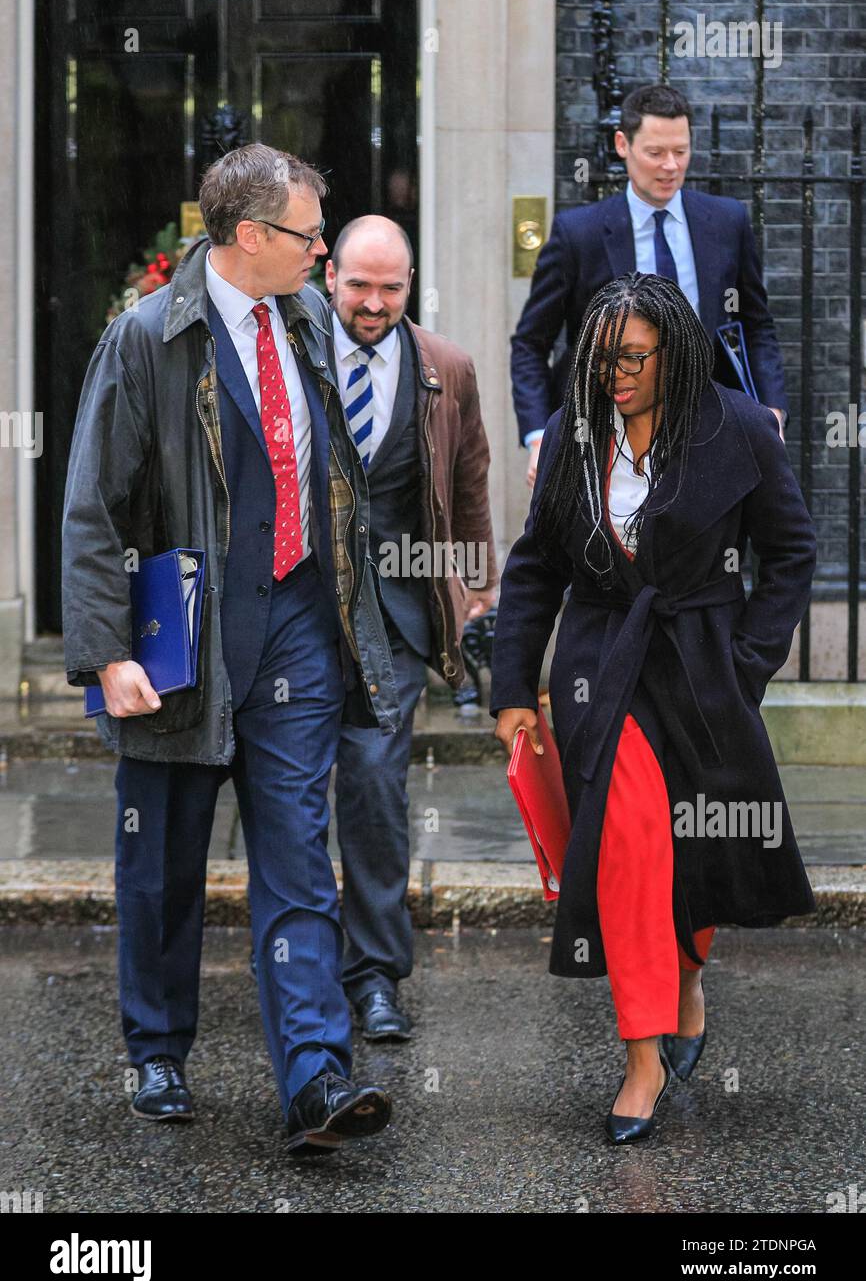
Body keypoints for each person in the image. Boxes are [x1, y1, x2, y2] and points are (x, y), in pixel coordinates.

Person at [62, 144, 401, 1155]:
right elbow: (90, 509)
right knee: (162, 862)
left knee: (298, 862)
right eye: (308, 235)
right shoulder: (146, 338)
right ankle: (158, 1045)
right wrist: (105, 651)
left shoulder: (304, 322)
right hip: (182, 639)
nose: (323, 253)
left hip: (295, 629)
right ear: (248, 235)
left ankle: (313, 1075)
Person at [490, 272, 817, 1145]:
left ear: (672, 350)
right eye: (600, 360)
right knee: (632, 842)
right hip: (605, 669)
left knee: (696, 839)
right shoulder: (572, 434)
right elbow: (533, 570)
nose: (614, 376)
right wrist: (515, 689)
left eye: (631, 358)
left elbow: (791, 553)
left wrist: (746, 662)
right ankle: (641, 1054)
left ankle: (686, 978)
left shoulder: (738, 429)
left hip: (704, 671)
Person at [324, 214, 498, 1038]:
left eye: (390, 287)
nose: (373, 302)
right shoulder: (289, 350)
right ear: (331, 278)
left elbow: (468, 486)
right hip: (296, 612)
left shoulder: (446, 369)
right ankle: (295, 967)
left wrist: (473, 587)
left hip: (394, 617)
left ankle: (376, 978)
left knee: (375, 794)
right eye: (359, 284)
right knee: (283, 800)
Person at [511, 83, 789, 488]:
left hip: (709, 430)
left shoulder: (727, 222)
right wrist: (538, 436)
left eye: (681, 151)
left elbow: (756, 324)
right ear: (623, 144)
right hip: (605, 436)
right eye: (656, 153)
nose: (671, 166)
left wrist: (772, 410)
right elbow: (531, 343)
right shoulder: (578, 234)